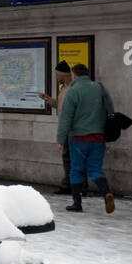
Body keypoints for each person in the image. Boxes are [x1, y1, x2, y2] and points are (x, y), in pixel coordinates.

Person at [56, 63, 114, 214]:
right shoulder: (99, 88)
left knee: (76, 170)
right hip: (98, 137)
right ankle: (106, 192)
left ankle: (77, 203)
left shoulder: (73, 91)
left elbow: (66, 118)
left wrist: (60, 139)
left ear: (74, 75)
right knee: (95, 169)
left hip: (78, 138)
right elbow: (110, 109)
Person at [39, 60, 73, 193]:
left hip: (69, 129)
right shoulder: (64, 88)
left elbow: (66, 111)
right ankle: (70, 184)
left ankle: (71, 185)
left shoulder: (70, 89)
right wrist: (49, 100)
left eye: (57, 75)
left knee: (69, 158)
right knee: (68, 158)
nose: (56, 77)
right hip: (66, 128)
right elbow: (60, 105)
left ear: (63, 75)